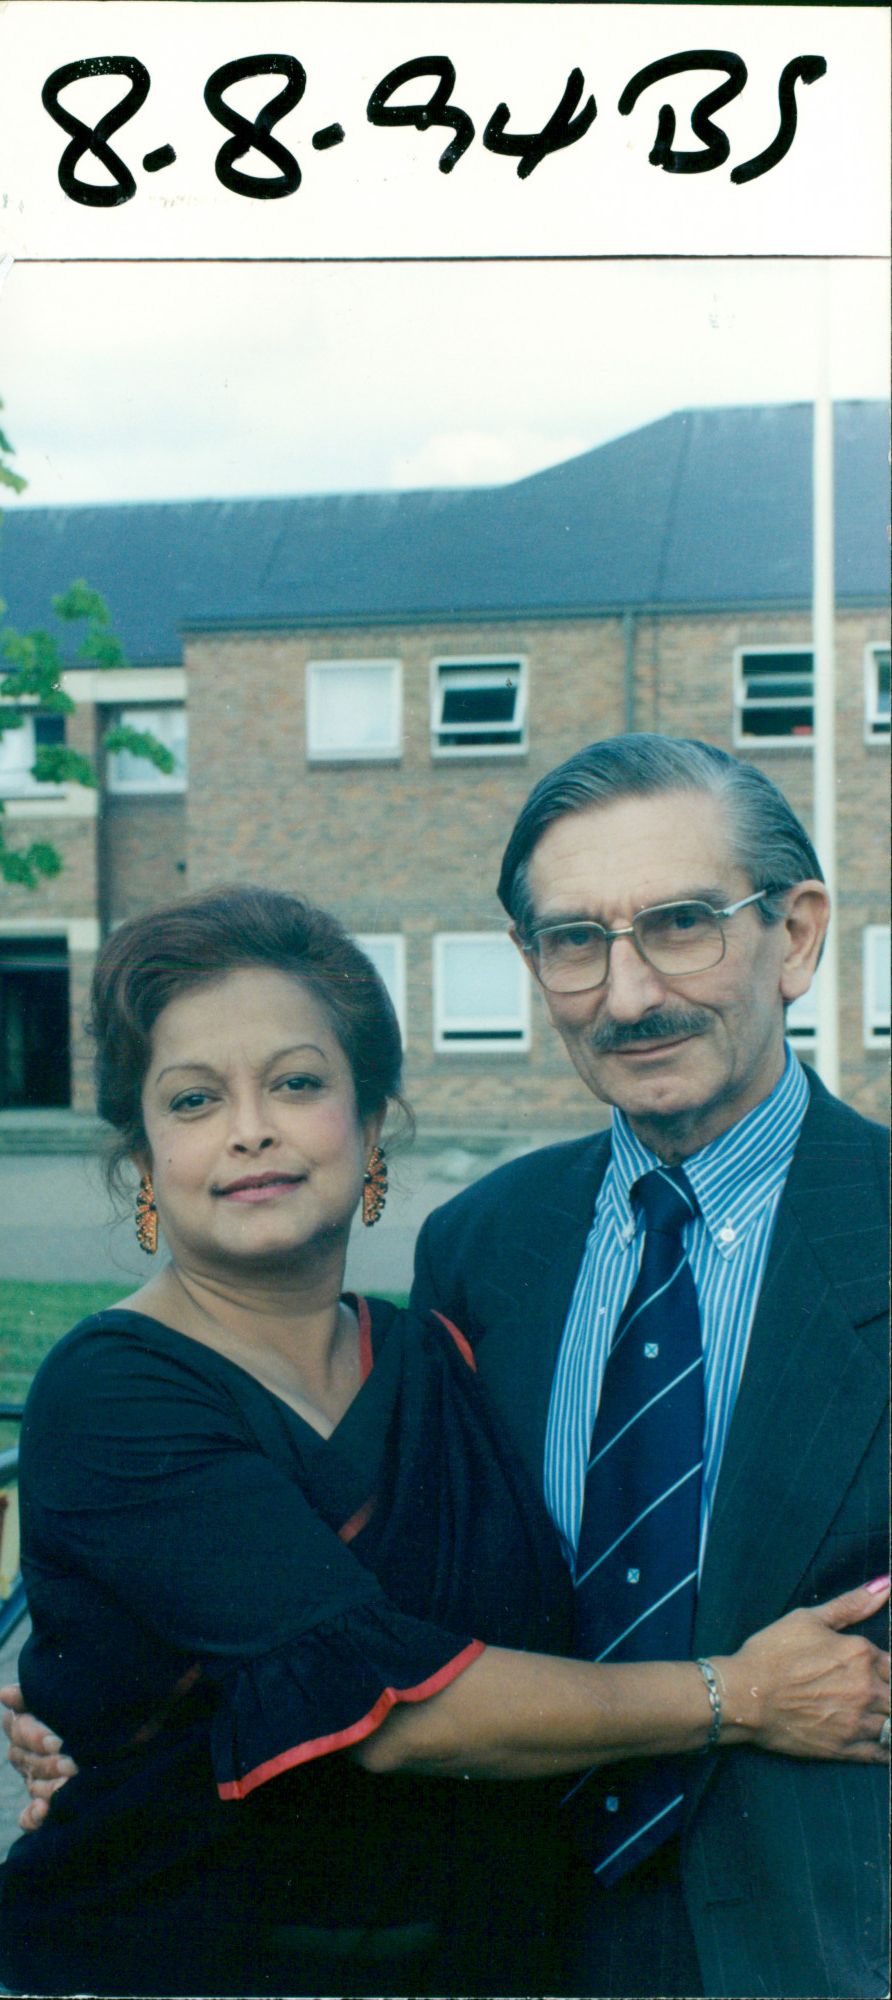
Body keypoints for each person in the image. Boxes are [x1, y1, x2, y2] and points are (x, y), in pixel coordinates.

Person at [0, 878, 887, 2000]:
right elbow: (391, 1705)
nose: (250, 1126)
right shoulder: (116, 1389)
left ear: (370, 1124)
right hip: (179, 1960)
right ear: (142, 1159)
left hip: (481, 1957)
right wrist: (743, 1693)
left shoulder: (437, 1351)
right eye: (191, 1099)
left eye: (298, 1081)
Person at [409, 733, 891, 1999]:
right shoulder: (478, 1246)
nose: (627, 995)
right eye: (574, 941)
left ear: (793, 936)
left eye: (680, 923)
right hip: (518, 1931)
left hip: (831, 1943)